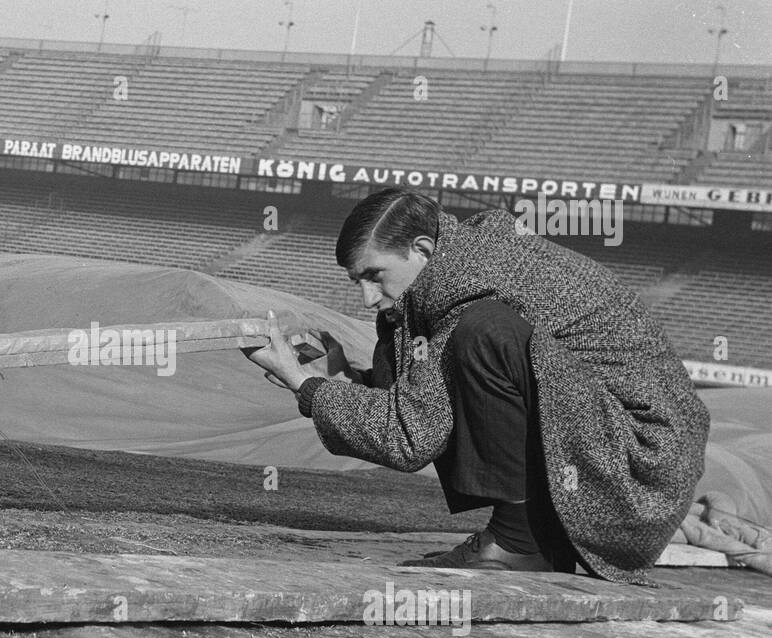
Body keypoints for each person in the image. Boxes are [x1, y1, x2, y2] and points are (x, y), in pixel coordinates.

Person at [245, 188, 710, 584]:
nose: (368, 297)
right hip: (616, 447)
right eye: (357, 281)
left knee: (486, 332)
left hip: (642, 465)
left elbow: (409, 436)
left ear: (423, 250)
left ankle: (517, 543)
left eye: (374, 275)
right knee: (481, 337)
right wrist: (346, 376)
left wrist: (302, 380)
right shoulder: (450, 268)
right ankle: (533, 540)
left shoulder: (472, 287)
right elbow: (419, 404)